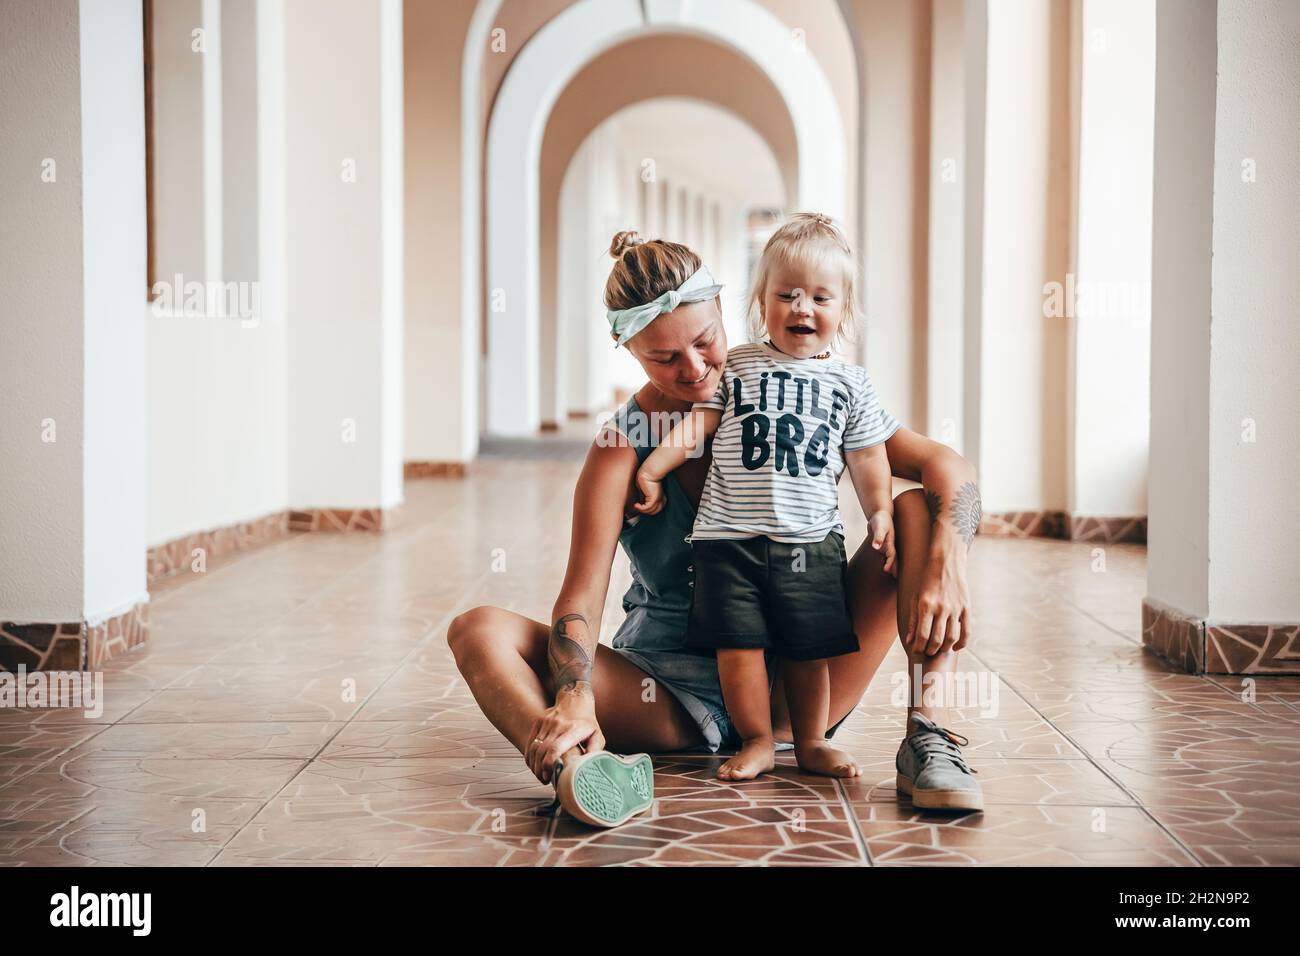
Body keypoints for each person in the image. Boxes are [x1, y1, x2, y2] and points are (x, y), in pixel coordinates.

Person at [447, 221, 985, 824]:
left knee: (918, 510)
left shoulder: (799, 393)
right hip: (667, 691)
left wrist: (951, 558)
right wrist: (575, 696)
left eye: (706, 340)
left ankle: (929, 735)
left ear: (727, 309)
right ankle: (577, 767)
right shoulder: (622, 446)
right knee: (477, 628)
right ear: (628, 351)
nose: (696, 369)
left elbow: (948, 466)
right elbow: (582, 592)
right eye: (664, 357)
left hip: (801, 680)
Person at [632, 212, 896, 782]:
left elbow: (869, 455)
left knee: (809, 647)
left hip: (810, 539)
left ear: (843, 312)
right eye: (788, 294)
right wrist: (653, 467)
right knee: (738, 648)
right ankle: (754, 740)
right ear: (761, 302)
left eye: (821, 298)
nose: (803, 308)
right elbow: (698, 427)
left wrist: (879, 510)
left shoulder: (852, 383)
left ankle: (809, 740)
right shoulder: (740, 366)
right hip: (728, 541)